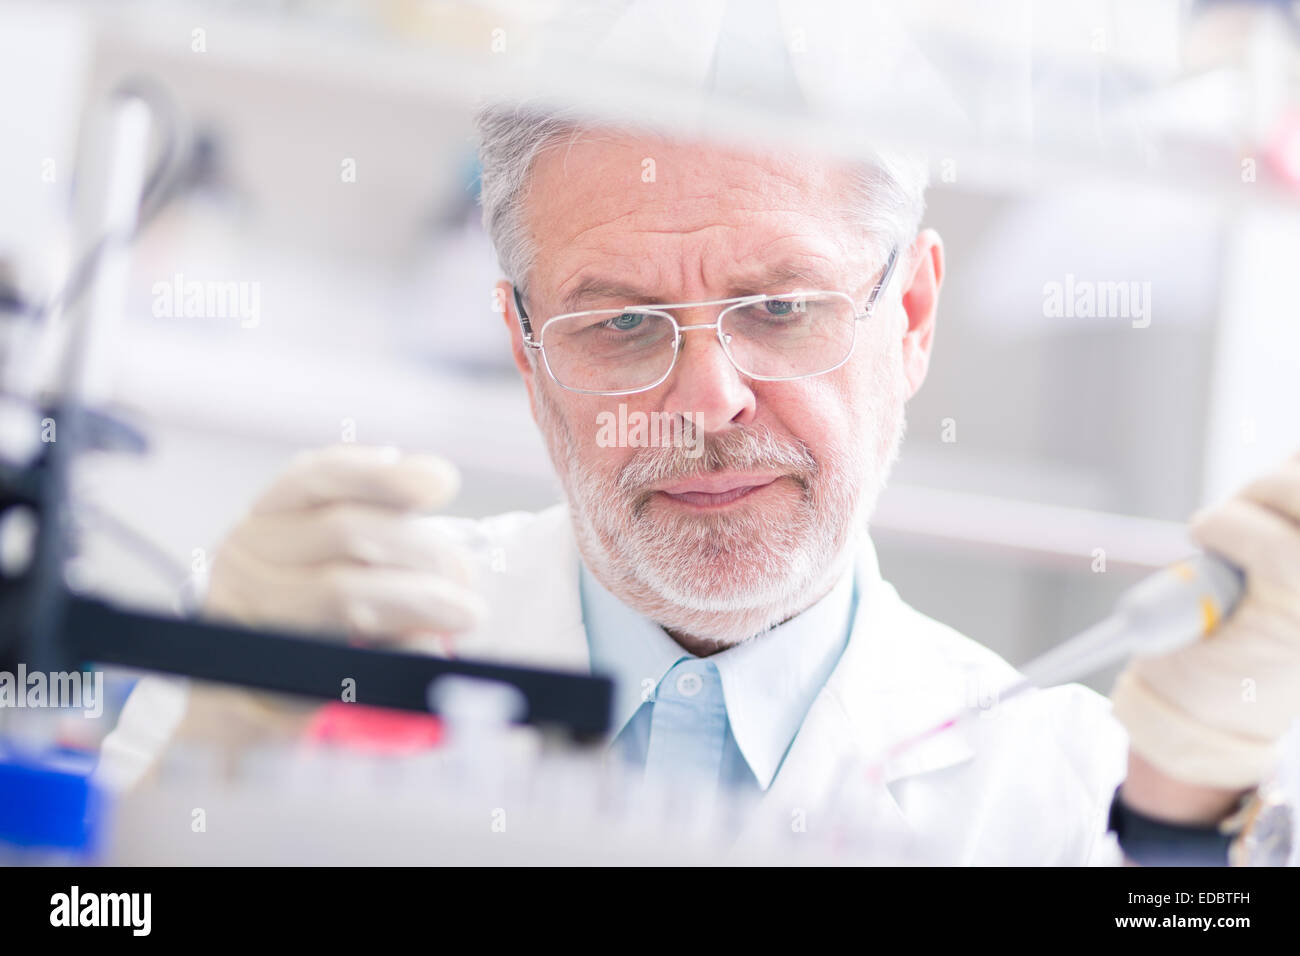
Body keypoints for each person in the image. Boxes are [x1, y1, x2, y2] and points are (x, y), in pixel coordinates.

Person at [100, 105, 1300, 864]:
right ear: (527, 352)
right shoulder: (293, 657)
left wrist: (1181, 831)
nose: (704, 399)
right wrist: (186, 788)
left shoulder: (1073, 791)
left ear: (913, 315)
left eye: (779, 308)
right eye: (620, 323)